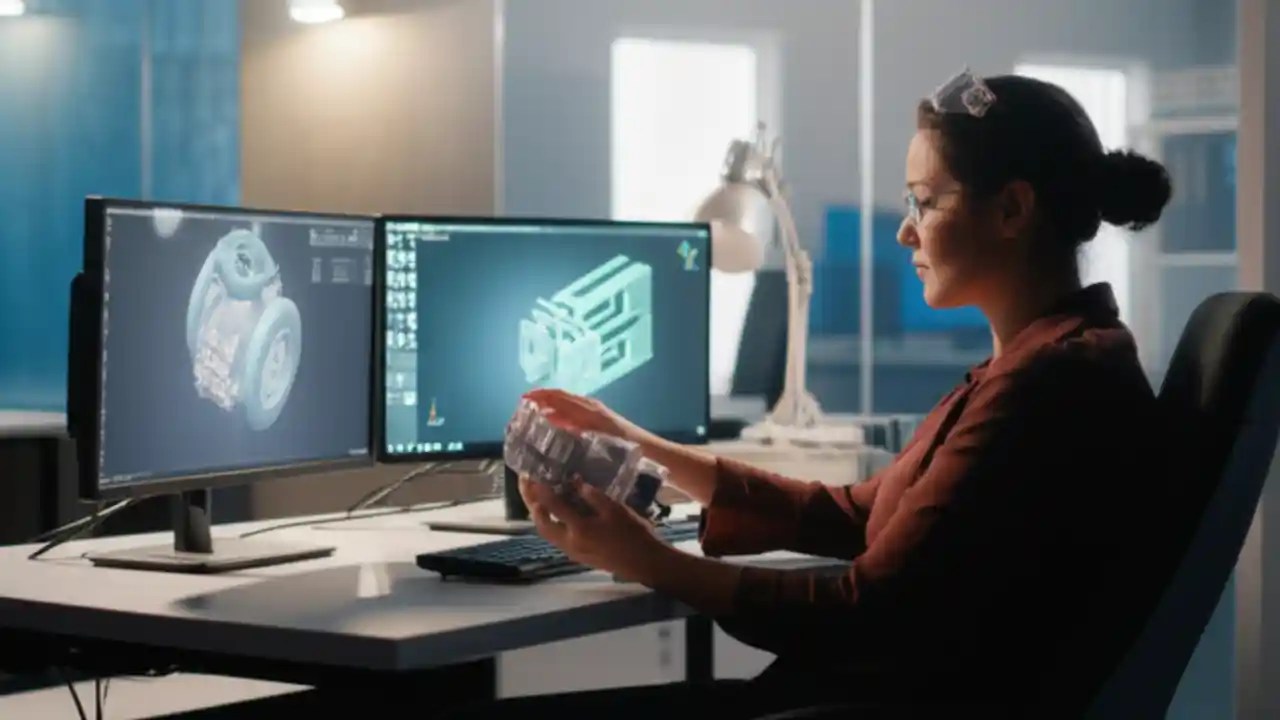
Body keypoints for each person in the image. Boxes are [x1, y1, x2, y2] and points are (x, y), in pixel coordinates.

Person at [440, 70, 1173, 719]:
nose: (904, 234)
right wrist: (643, 444)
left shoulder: (1043, 384)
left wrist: (652, 563)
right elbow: (854, 515)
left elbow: (865, 613)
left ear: (1012, 210)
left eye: (925, 202)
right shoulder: (1049, 361)